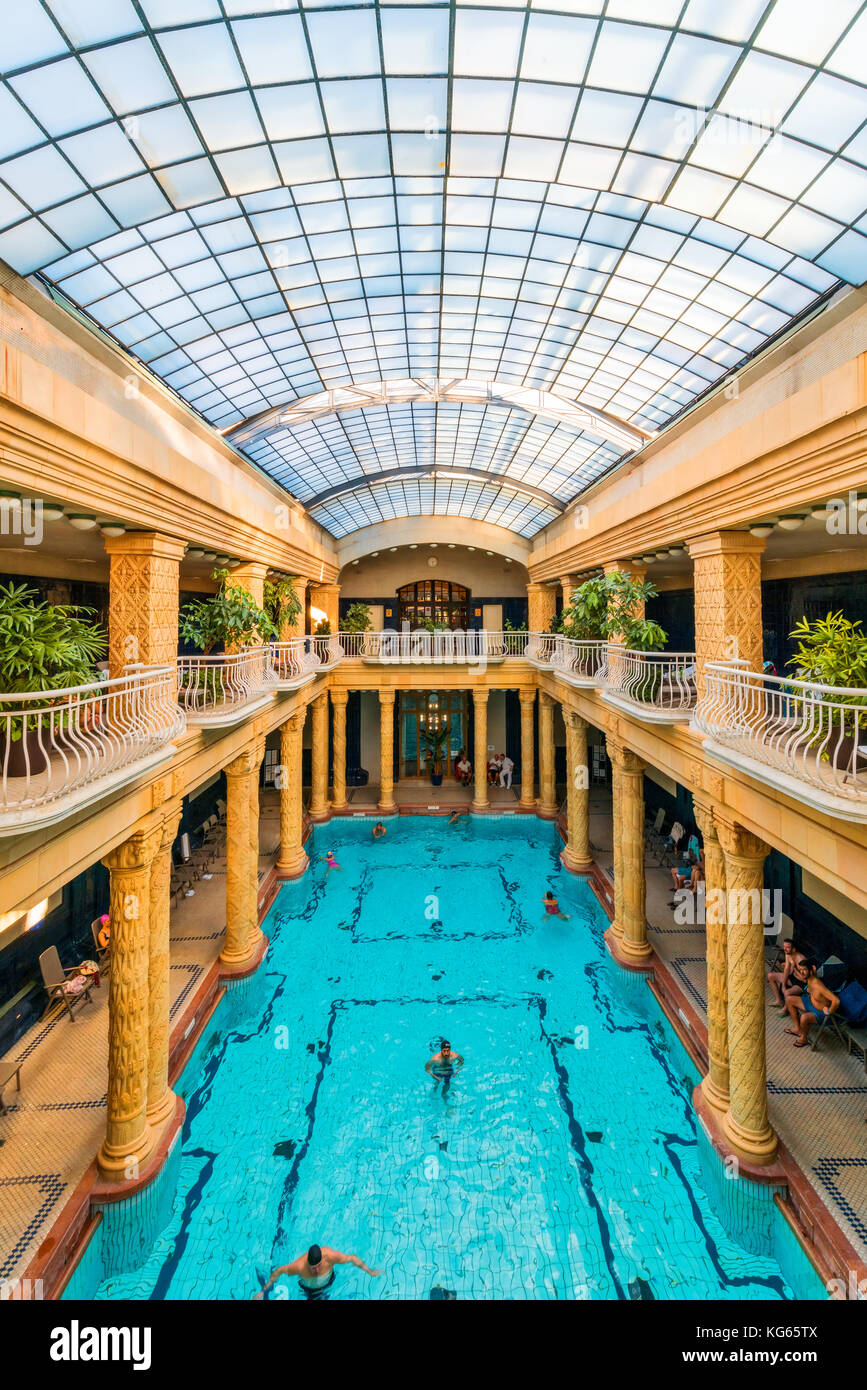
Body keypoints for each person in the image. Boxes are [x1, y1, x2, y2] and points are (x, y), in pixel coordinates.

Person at [254, 1243, 381, 1299]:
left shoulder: (330, 1256)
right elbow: (279, 1271)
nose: (316, 1270)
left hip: (329, 1283)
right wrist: (264, 1290)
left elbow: (351, 1258)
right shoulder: (299, 1267)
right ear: (307, 1263)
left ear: (323, 1259)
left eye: (319, 1266)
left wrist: (369, 1271)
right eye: (312, 1267)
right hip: (310, 1291)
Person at [785, 960, 840, 1047]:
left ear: (810, 970)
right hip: (810, 1003)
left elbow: (836, 1000)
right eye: (801, 970)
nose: (802, 972)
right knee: (789, 999)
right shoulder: (809, 977)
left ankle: (804, 1039)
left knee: (804, 1017)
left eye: (805, 970)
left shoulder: (818, 985)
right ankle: (797, 1029)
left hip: (820, 1012)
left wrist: (829, 1011)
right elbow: (802, 975)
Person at [767, 938, 804, 1010]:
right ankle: (779, 1001)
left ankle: (786, 1009)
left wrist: (794, 966)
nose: (785, 949)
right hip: (792, 977)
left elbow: (803, 978)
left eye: (788, 947)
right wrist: (783, 985)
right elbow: (786, 969)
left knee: (787, 992)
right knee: (770, 976)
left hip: (800, 983)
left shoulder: (800, 959)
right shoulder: (788, 954)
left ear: (793, 949)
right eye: (784, 946)